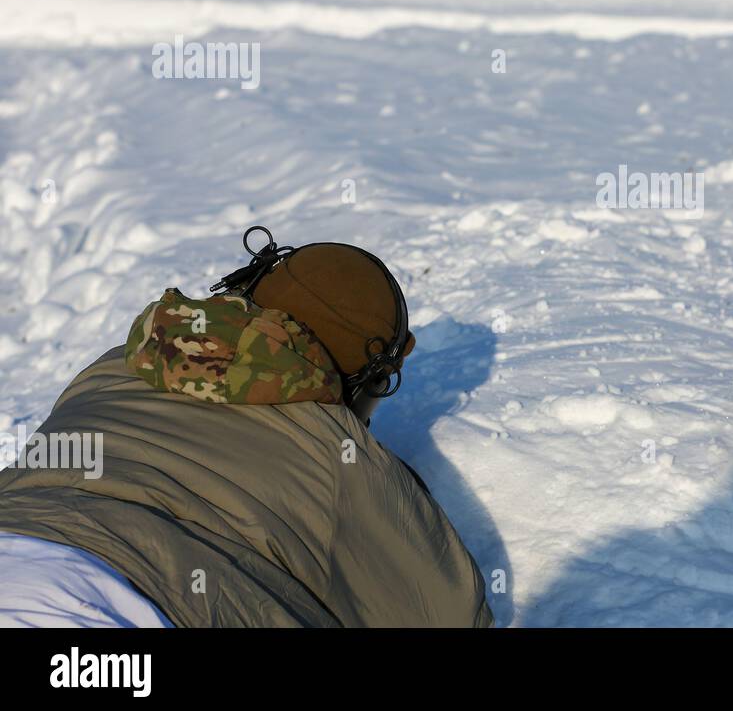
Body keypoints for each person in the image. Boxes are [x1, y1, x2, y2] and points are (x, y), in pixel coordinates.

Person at [0, 227, 492, 627]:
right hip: (134, 600)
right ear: (364, 379)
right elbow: (449, 611)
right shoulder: (337, 453)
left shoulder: (117, 365)